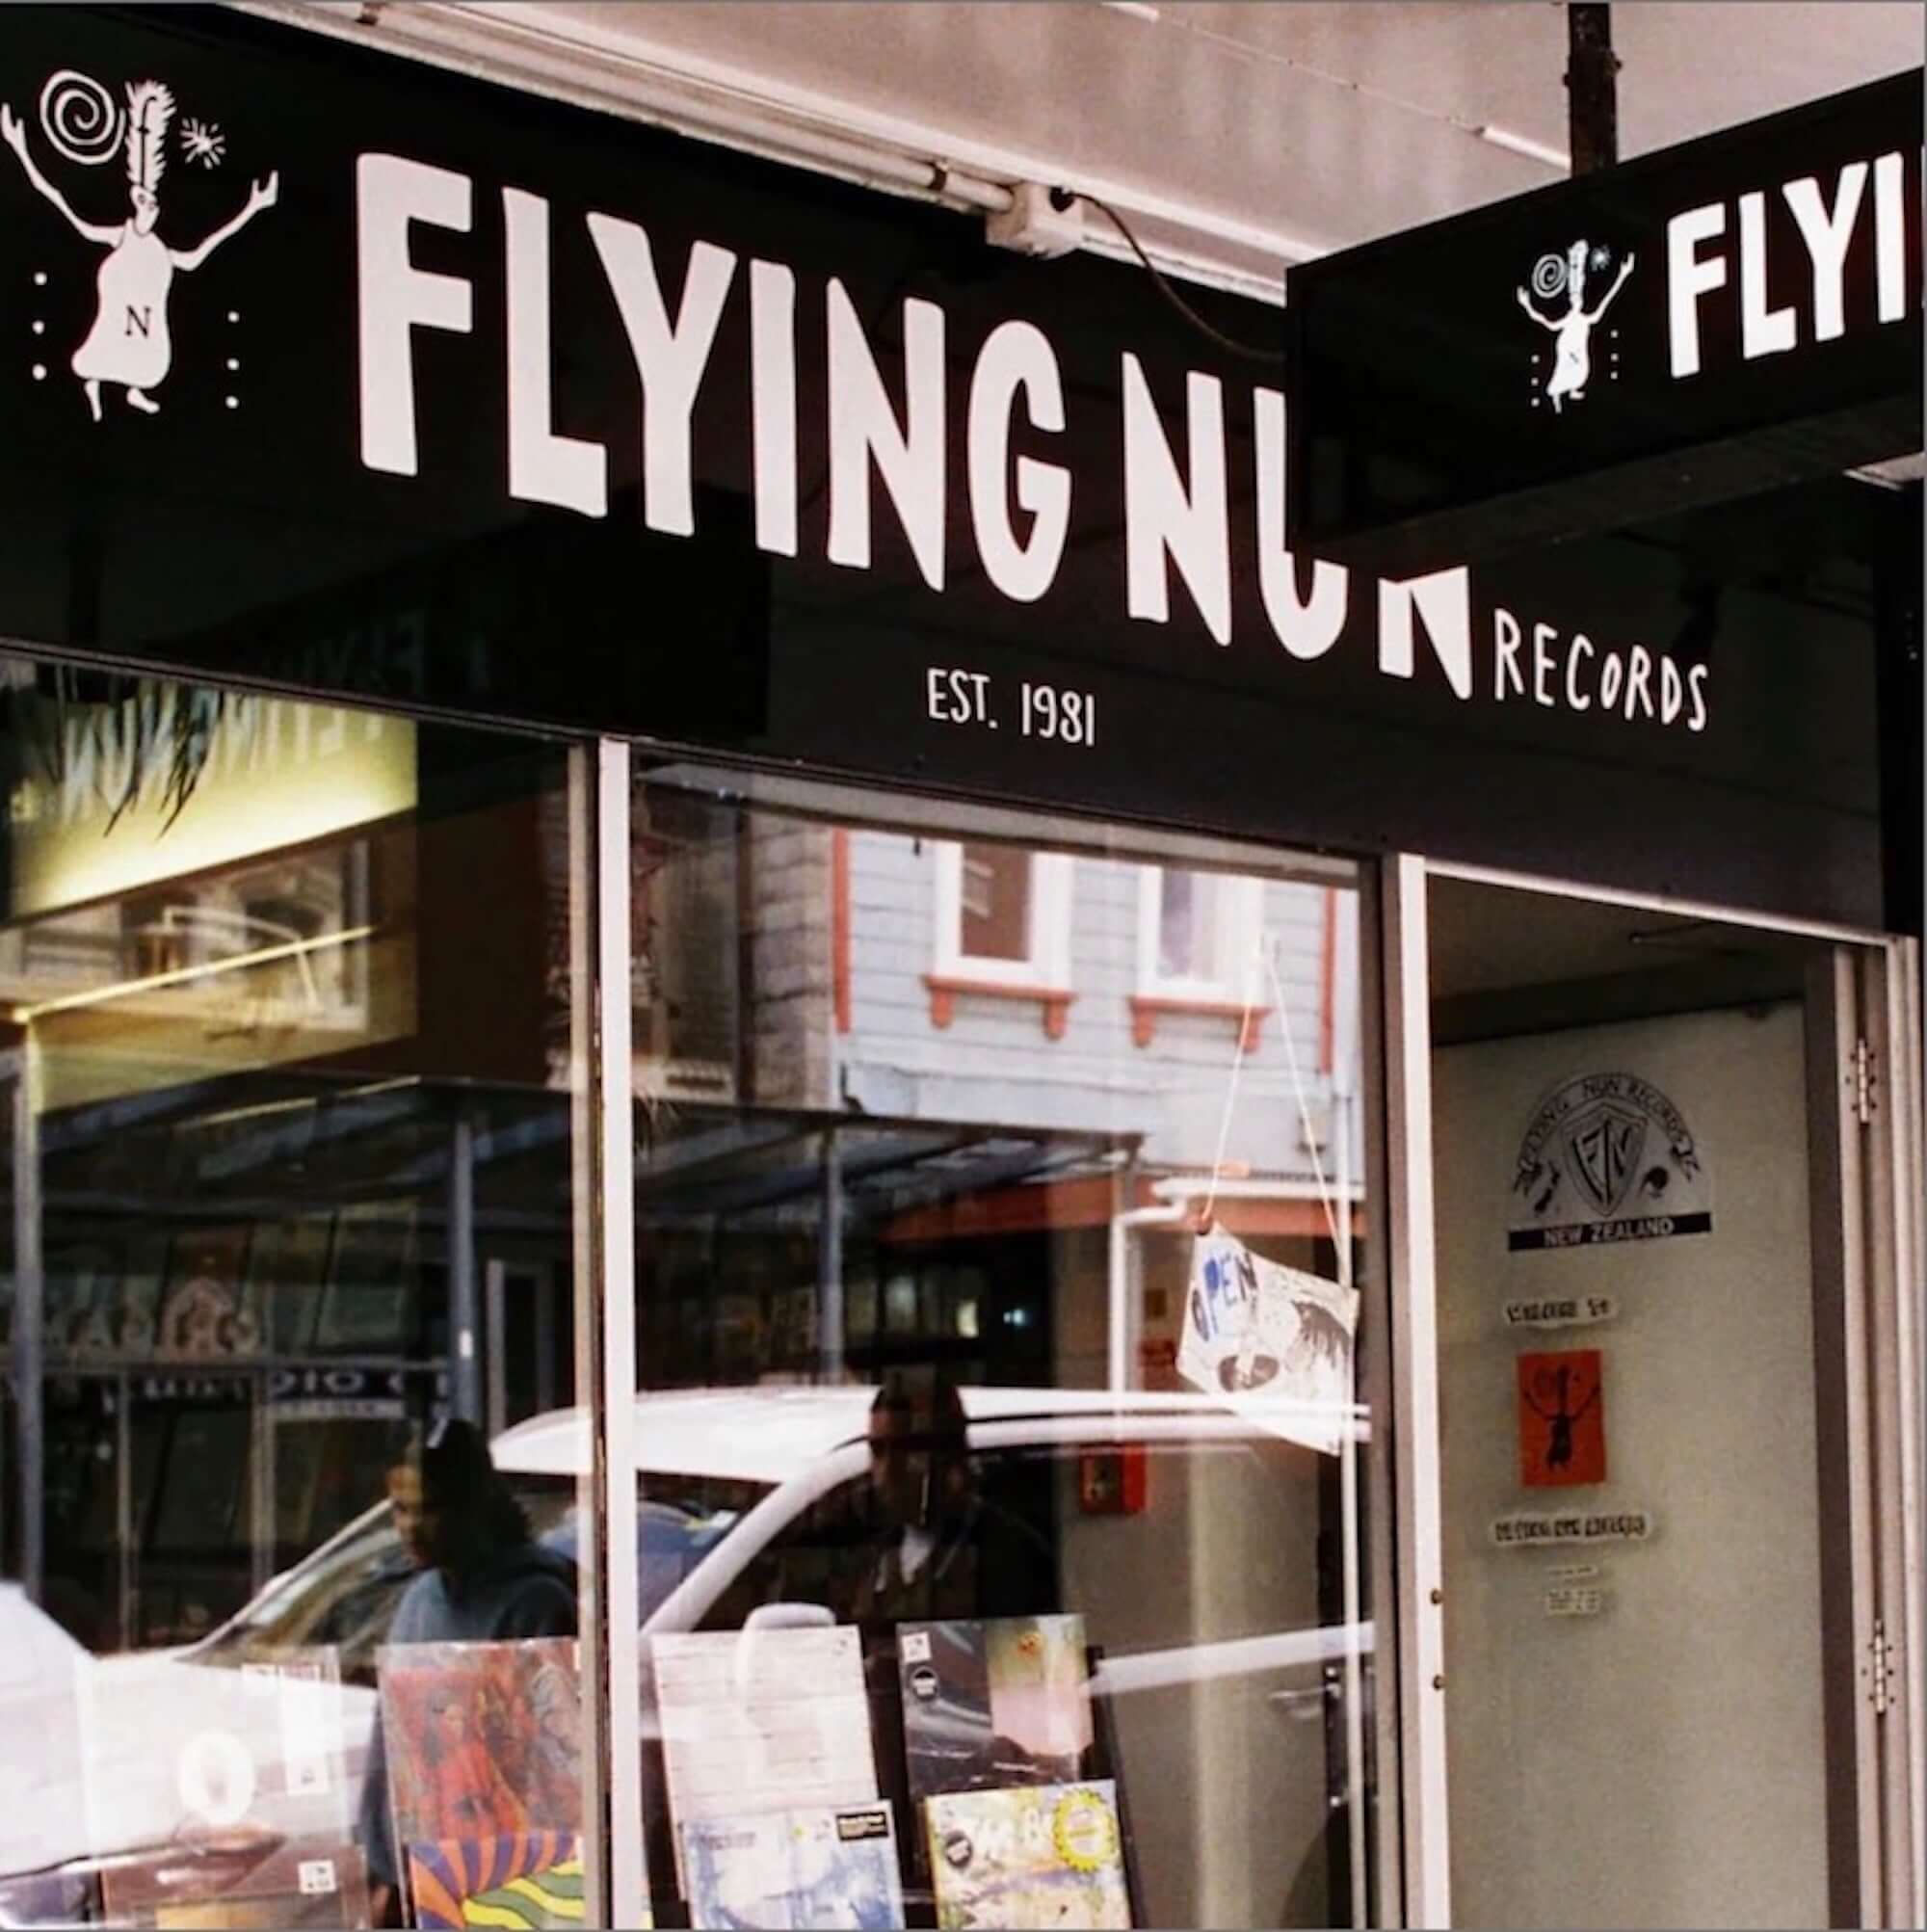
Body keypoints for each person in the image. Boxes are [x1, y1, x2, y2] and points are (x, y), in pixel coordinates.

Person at [356, 1418, 577, 1926]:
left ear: (472, 1506)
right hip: (417, 1879)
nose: (411, 1526)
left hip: (496, 1880)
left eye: (429, 1509)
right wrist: (384, 1873)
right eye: (401, 1509)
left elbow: (552, 1778)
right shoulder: (418, 1600)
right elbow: (388, 1755)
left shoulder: (536, 1605)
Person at [831, 1371, 1057, 1627]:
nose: (887, 1471)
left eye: (906, 1451)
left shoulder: (1008, 1554)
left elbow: (1036, 1657)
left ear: (948, 1456)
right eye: (878, 1451)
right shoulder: (870, 1558)